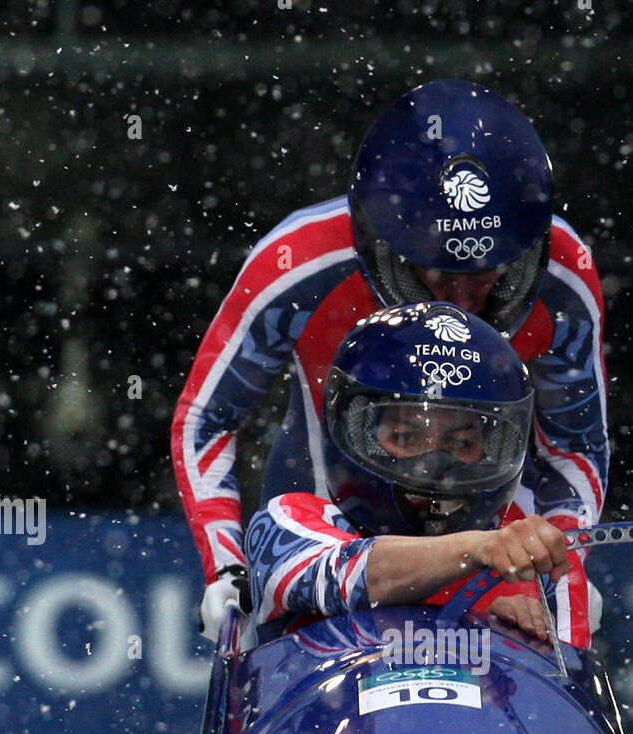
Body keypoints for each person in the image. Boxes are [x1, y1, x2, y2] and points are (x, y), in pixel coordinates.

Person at [174, 79, 608, 639]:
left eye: (484, 275)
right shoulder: (296, 266)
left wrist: (559, 569)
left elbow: (574, 443)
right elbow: (208, 416)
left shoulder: (564, 281)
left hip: (496, 543)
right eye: (439, 274)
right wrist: (228, 568)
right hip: (328, 534)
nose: (461, 299)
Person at [244, 302, 590, 646]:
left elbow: (567, 690)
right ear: (358, 430)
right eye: (405, 437)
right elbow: (349, 576)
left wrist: (512, 647)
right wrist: (477, 559)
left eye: (461, 442)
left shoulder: (535, 551)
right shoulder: (287, 521)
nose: (434, 463)